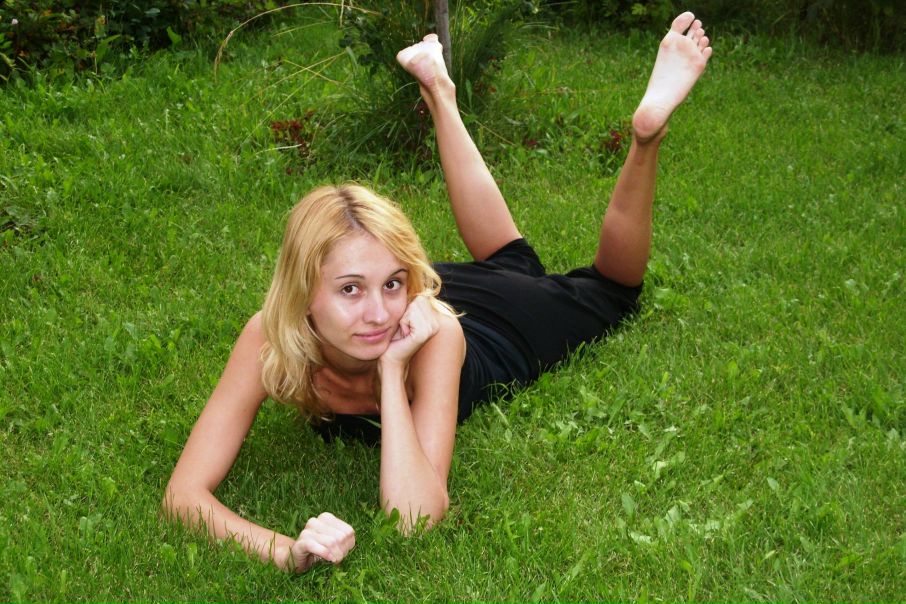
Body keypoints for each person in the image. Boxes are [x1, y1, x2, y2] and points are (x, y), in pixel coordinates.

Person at [163, 12, 712, 573]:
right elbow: (183, 494)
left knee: (610, 292)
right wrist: (286, 553)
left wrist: (392, 369)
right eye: (350, 289)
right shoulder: (269, 335)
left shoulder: (432, 332)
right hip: (450, 292)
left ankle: (645, 138)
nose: (379, 313)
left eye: (392, 281)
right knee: (511, 260)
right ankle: (439, 89)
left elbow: (415, 520)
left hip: (496, 328)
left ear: (410, 276)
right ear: (303, 294)